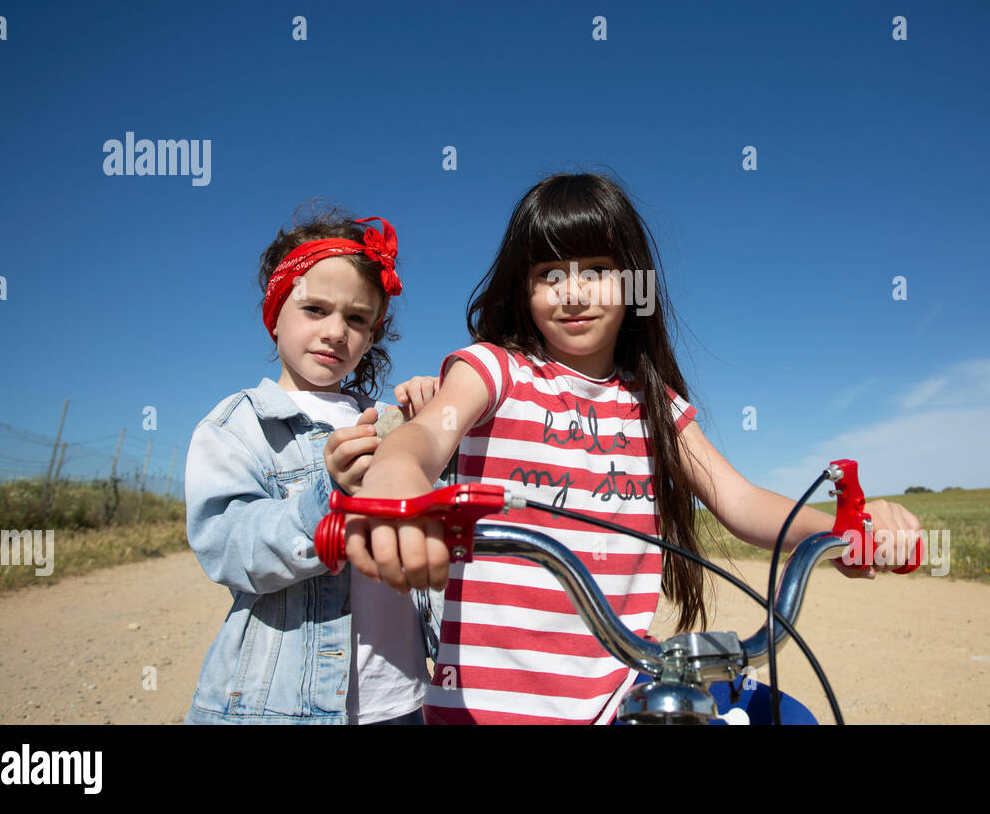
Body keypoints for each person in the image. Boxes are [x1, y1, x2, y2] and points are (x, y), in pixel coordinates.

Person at [345, 173, 922, 724]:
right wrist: (398, 476)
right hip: (482, 707)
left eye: (596, 270)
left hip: (617, 700)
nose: (573, 293)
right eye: (549, 272)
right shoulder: (496, 370)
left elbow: (739, 500)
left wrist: (844, 532)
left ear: (633, 283)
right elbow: (425, 437)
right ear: (524, 286)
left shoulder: (655, 405)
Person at [183, 203, 439, 724]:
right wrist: (329, 497)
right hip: (281, 708)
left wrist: (435, 428)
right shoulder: (241, 424)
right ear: (275, 314)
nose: (335, 331)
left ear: (371, 336)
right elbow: (230, 547)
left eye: (357, 318)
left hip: (401, 700)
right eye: (315, 309)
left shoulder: (388, 424)